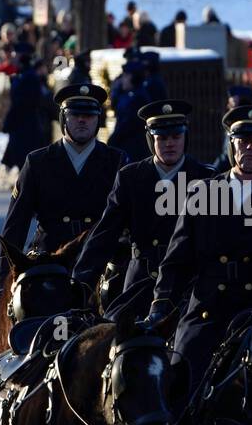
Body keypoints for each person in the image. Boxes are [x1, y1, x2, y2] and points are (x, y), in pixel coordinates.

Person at [146, 105, 252, 406]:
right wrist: (161, 305)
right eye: (242, 139)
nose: (249, 147)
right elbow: (177, 259)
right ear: (231, 143)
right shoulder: (202, 192)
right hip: (208, 308)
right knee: (180, 378)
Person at [74, 99, 216, 323]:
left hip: (189, 283)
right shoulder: (131, 177)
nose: (170, 144)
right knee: (112, 340)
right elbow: (105, 234)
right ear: (151, 140)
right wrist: (79, 281)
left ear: (185, 138)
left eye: (176, 137)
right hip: (141, 281)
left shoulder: (206, 178)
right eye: (162, 138)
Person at [0, 83, 126, 285]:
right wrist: (4, 275)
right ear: (64, 118)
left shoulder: (116, 161)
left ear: (98, 120)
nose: (82, 121)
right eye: (75, 115)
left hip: (100, 259)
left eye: (89, 116)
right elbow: (17, 223)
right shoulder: (38, 161)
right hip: (49, 259)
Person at [0, 45, 49, 174]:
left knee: (26, 159)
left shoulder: (29, 77)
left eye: (16, 54)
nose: (13, 57)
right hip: (21, 124)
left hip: (26, 124)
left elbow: (23, 102)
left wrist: (9, 120)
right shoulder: (22, 75)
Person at [108, 60, 148, 164]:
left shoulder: (137, 98)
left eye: (125, 76)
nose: (123, 80)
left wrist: (111, 142)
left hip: (133, 150)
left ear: (133, 78)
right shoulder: (128, 95)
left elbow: (125, 125)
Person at [209, 84, 252, 173]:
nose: (228, 106)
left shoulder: (240, 130)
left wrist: (212, 172)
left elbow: (226, 158)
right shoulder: (235, 126)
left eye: (231, 103)